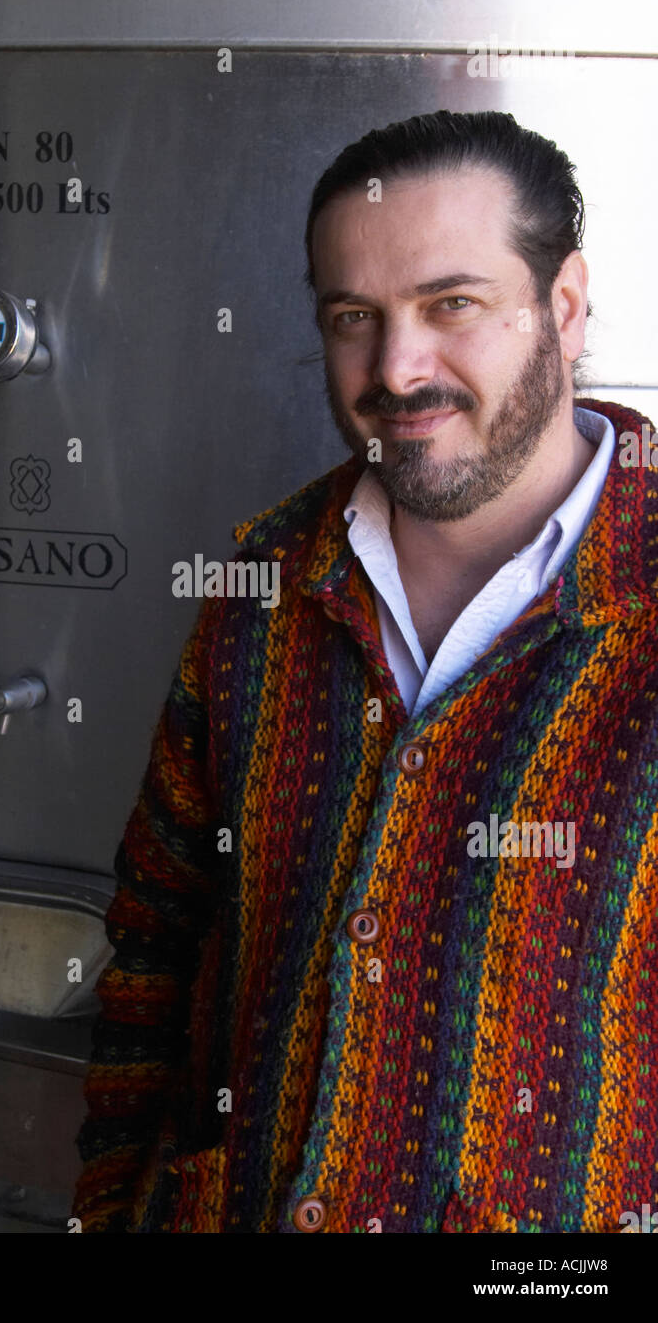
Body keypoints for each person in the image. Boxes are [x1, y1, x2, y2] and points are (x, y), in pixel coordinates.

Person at [71, 110, 658, 1233]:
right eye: (353, 318)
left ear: (564, 305)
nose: (396, 368)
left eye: (451, 304)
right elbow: (155, 938)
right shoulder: (264, 579)